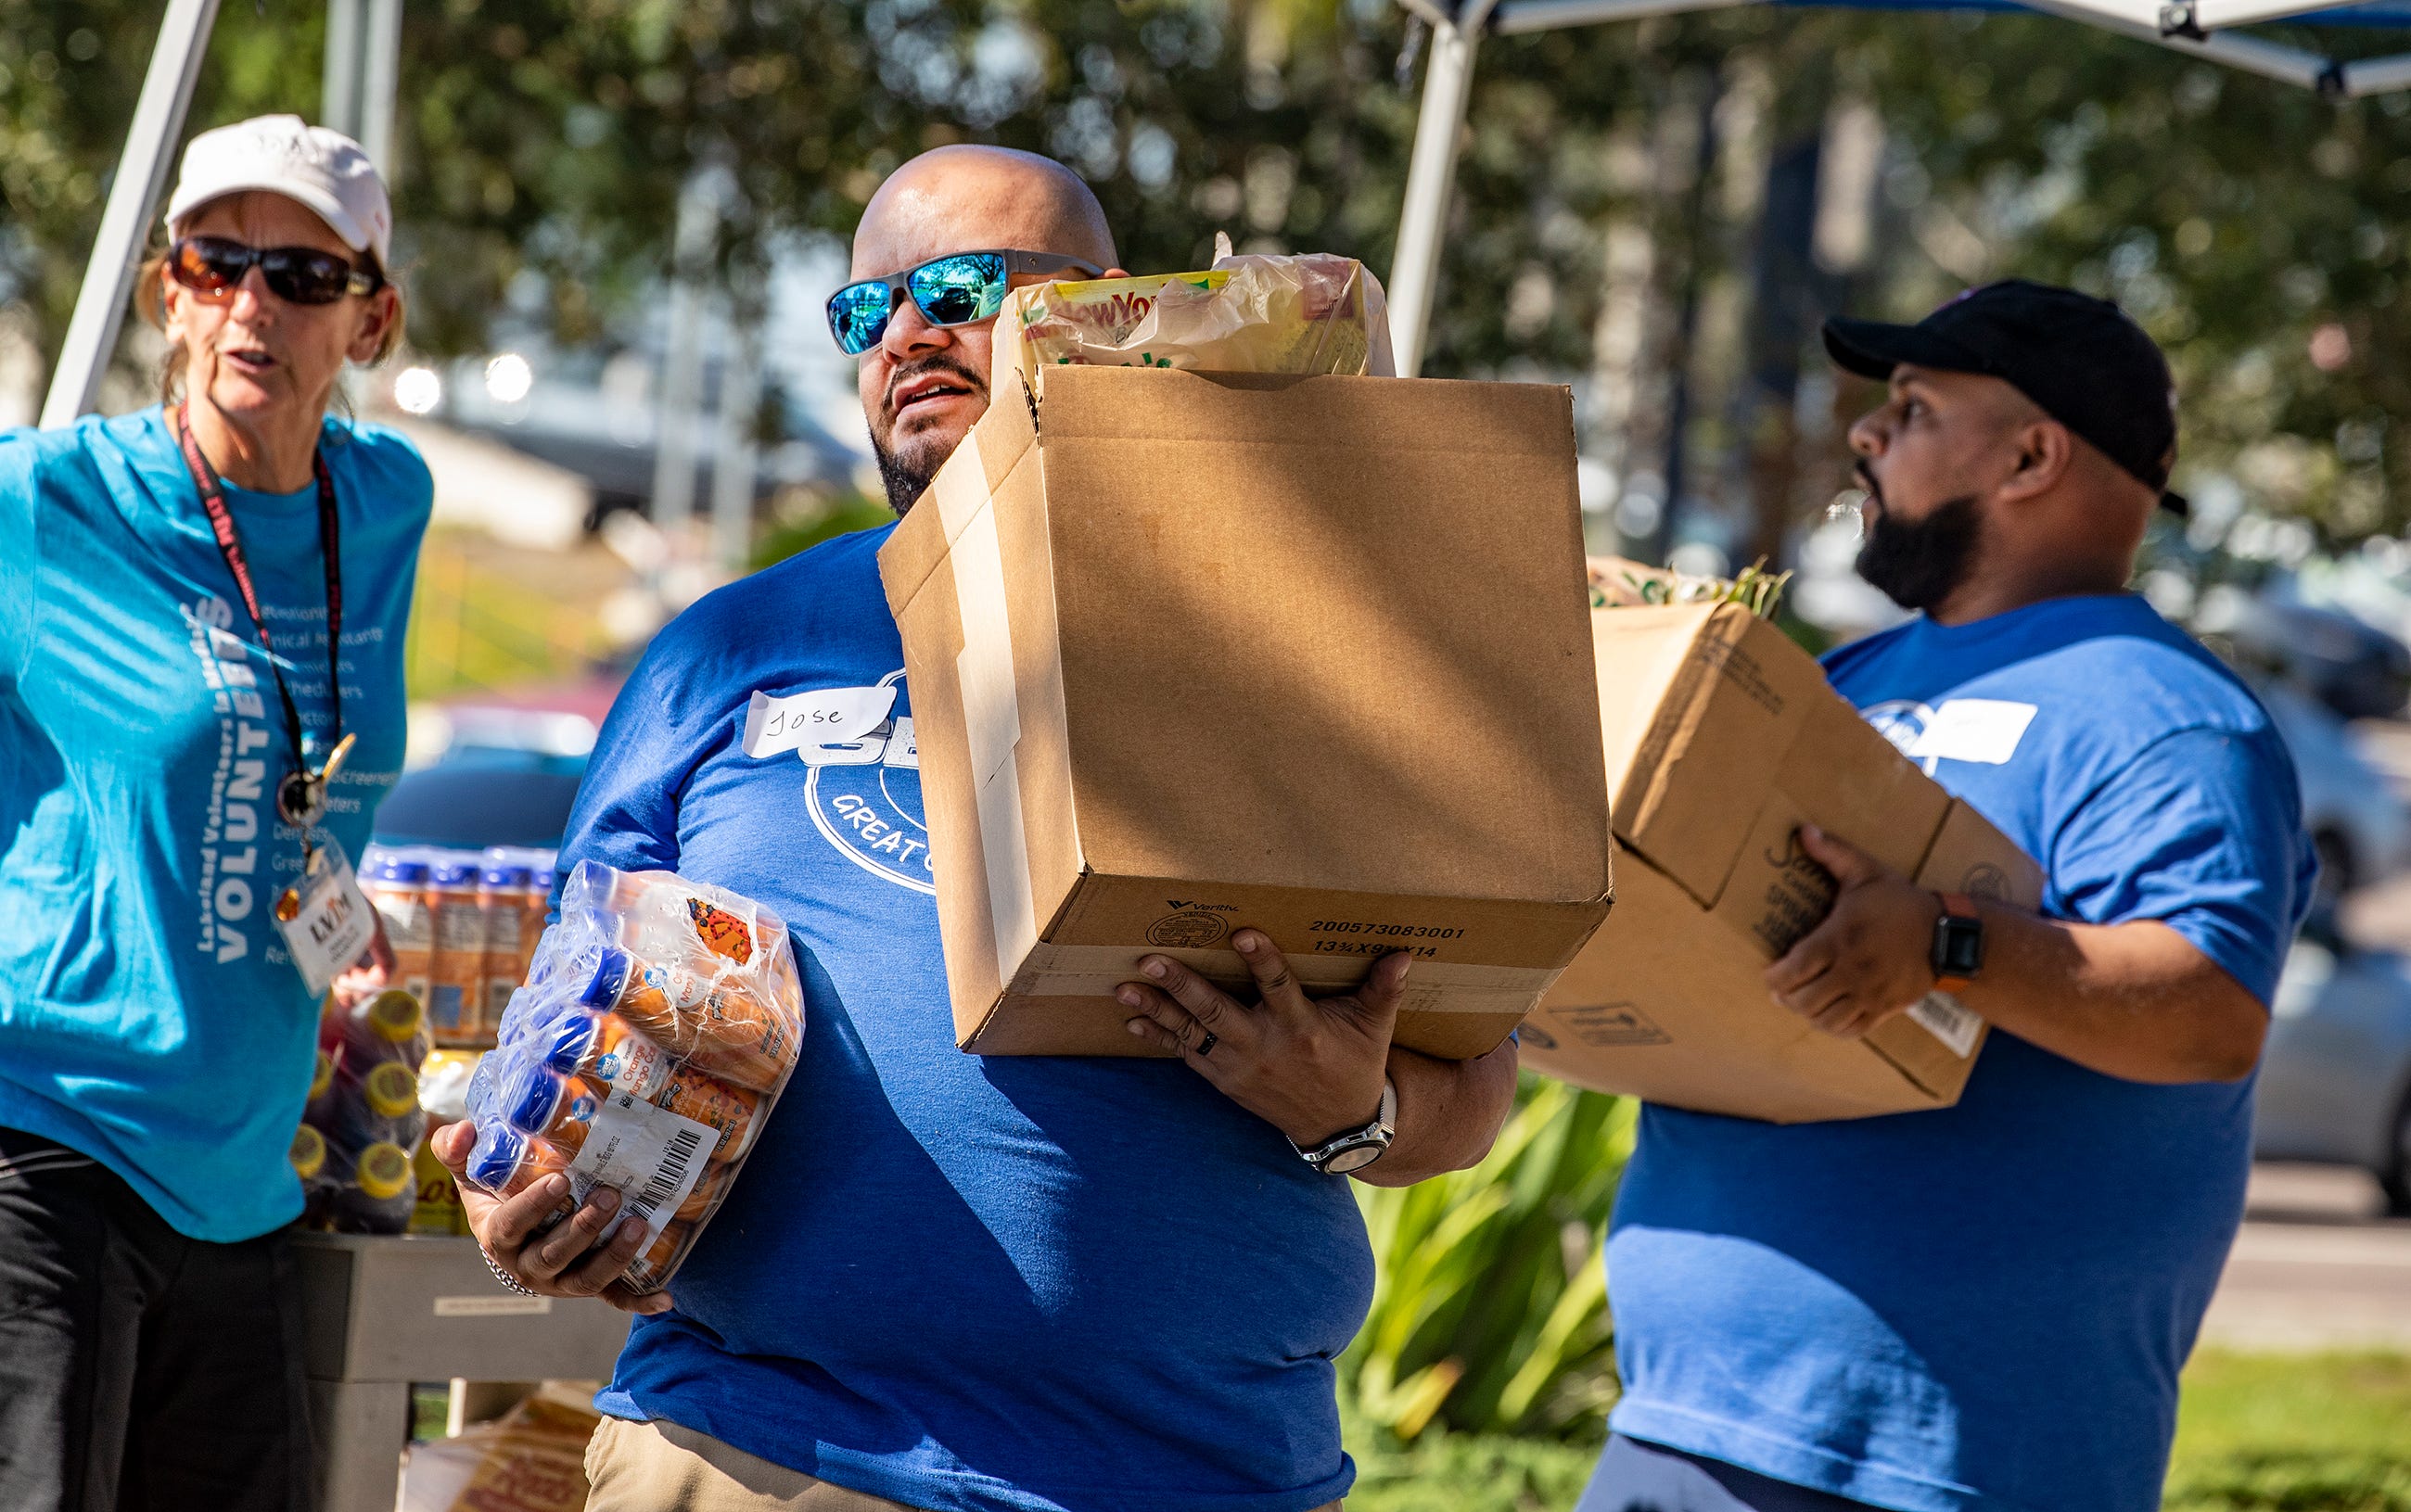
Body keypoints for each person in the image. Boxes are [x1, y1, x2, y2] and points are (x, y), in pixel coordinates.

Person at [432, 144, 1521, 1512]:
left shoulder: (1293, 650)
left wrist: (1350, 1113)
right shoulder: (731, 650)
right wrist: (522, 1192)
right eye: (863, 308)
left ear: (1107, 313)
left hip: (1179, 1474)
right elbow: (569, 1014)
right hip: (754, 1453)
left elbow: (1473, 1087)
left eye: (956, 289)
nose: (903, 333)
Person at [1577, 280, 2315, 1512]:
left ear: (2033, 455)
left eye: (1913, 409)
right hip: (1683, 1417)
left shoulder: (2170, 718)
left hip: (1947, 1466)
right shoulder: (1845, 679)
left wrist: (1950, 944)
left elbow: (2209, 1014)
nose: (1866, 434)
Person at [0, 115, 429, 1511]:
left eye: (304, 277)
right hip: (42, 1146)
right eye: (217, 262)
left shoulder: (387, 506)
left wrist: (336, 925)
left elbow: (311, 784)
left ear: (371, 320)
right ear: (166, 294)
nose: (255, 304)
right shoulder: (45, 503)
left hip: (247, 1181)